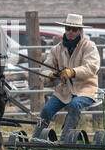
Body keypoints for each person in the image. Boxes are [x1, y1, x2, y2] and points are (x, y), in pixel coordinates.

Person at [32, 13, 100, 141]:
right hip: (64, 91)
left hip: (85, 90)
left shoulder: (89, 46)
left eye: (74, 29)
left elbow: (92, 67)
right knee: (46, 110)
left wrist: (72, 72)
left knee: (74, 105)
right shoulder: (56, 49)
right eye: (67, 28)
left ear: (80, 31)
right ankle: (35, 139)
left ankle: (65, 140)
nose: (70, 32)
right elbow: (45, 69)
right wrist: (51, 75)